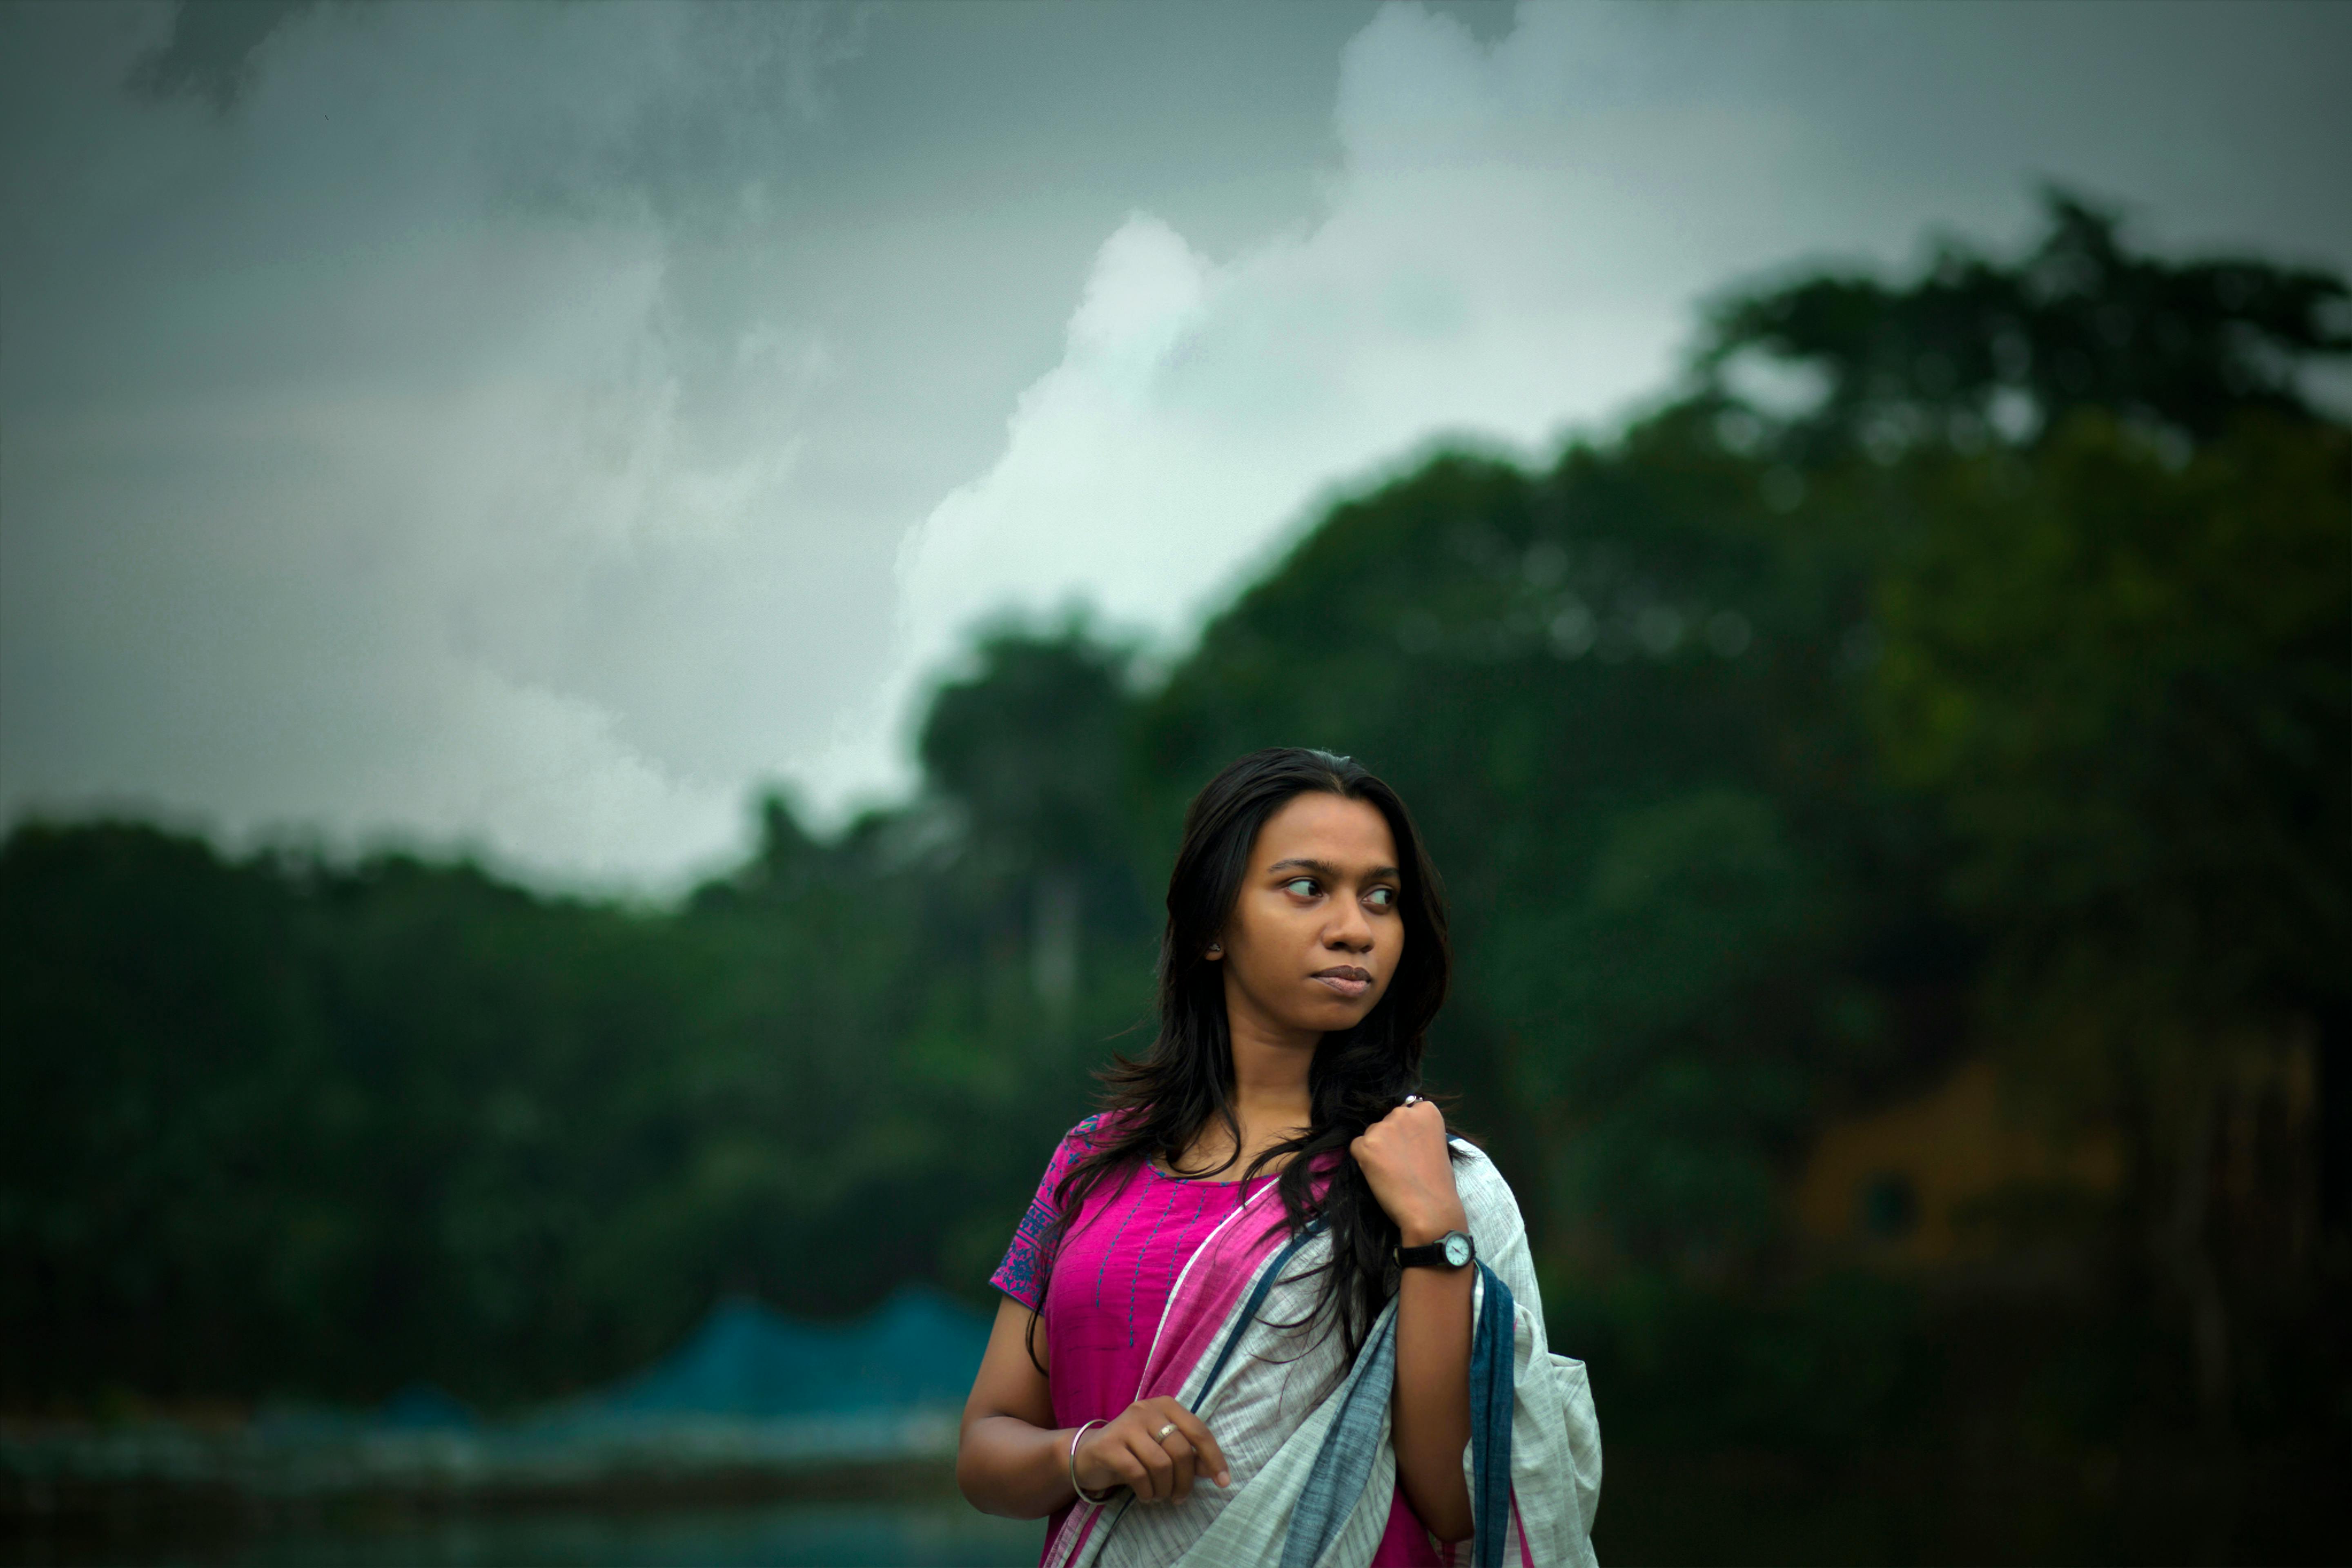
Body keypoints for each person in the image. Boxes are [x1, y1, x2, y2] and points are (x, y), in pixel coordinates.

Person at [957, 748, 1601, 1568]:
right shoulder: (1093, 1163)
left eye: (1382, 897)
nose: (1354, 928)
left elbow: (1455, 1500)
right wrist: (1087, 1454)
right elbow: (986, 1450)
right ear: (1211, 927)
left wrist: (1436, 1231)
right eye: (1308, 888)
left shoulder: (1438, 1179)